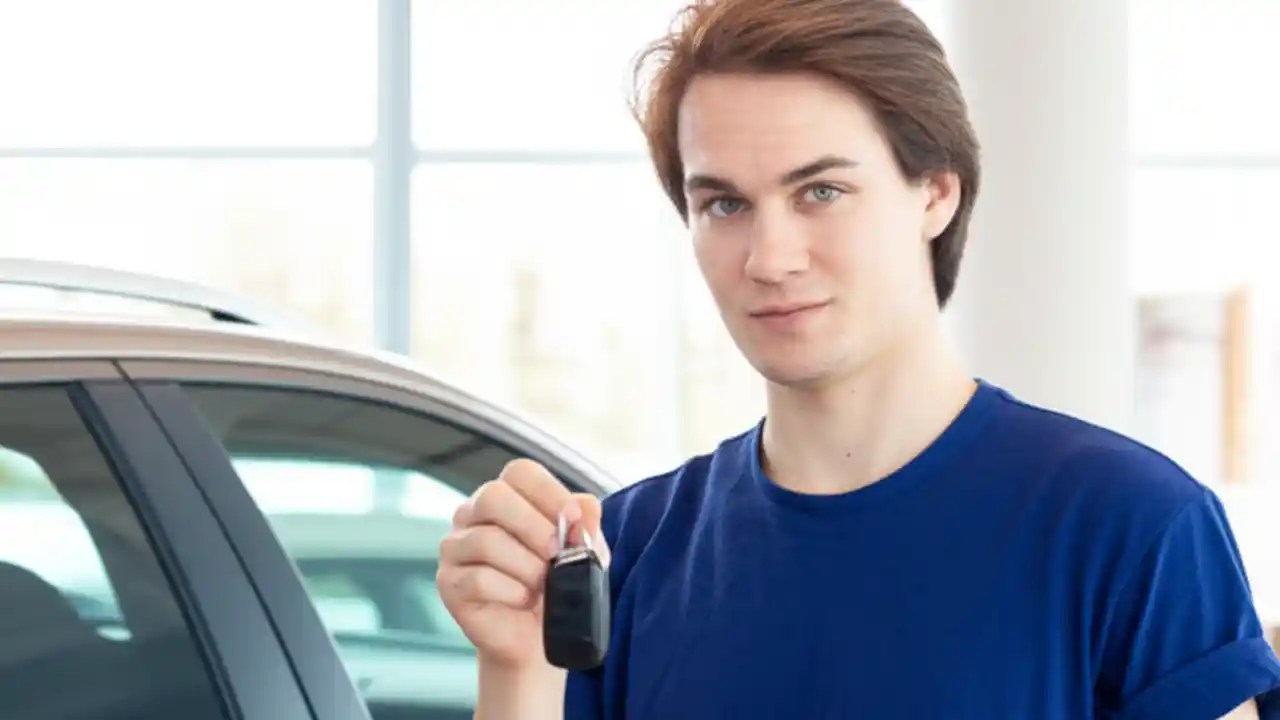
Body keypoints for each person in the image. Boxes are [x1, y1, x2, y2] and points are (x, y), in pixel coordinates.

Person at [436, 0, 1280, 717]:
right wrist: (516, 669)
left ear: (935, 194)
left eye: (821, 192)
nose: (771, 257)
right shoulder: (631, 550)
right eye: (725, 202)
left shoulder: (1127, 525)